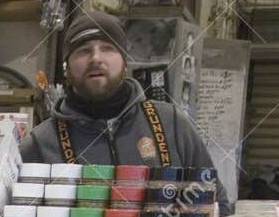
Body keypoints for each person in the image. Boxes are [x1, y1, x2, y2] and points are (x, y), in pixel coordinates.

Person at [20, 13, 225, 206]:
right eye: (83, 50)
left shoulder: (171, 124)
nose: (96, 59)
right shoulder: (41, 143)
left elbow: (216, 200)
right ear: (67, 68)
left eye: (108, 48)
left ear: (125, 62)